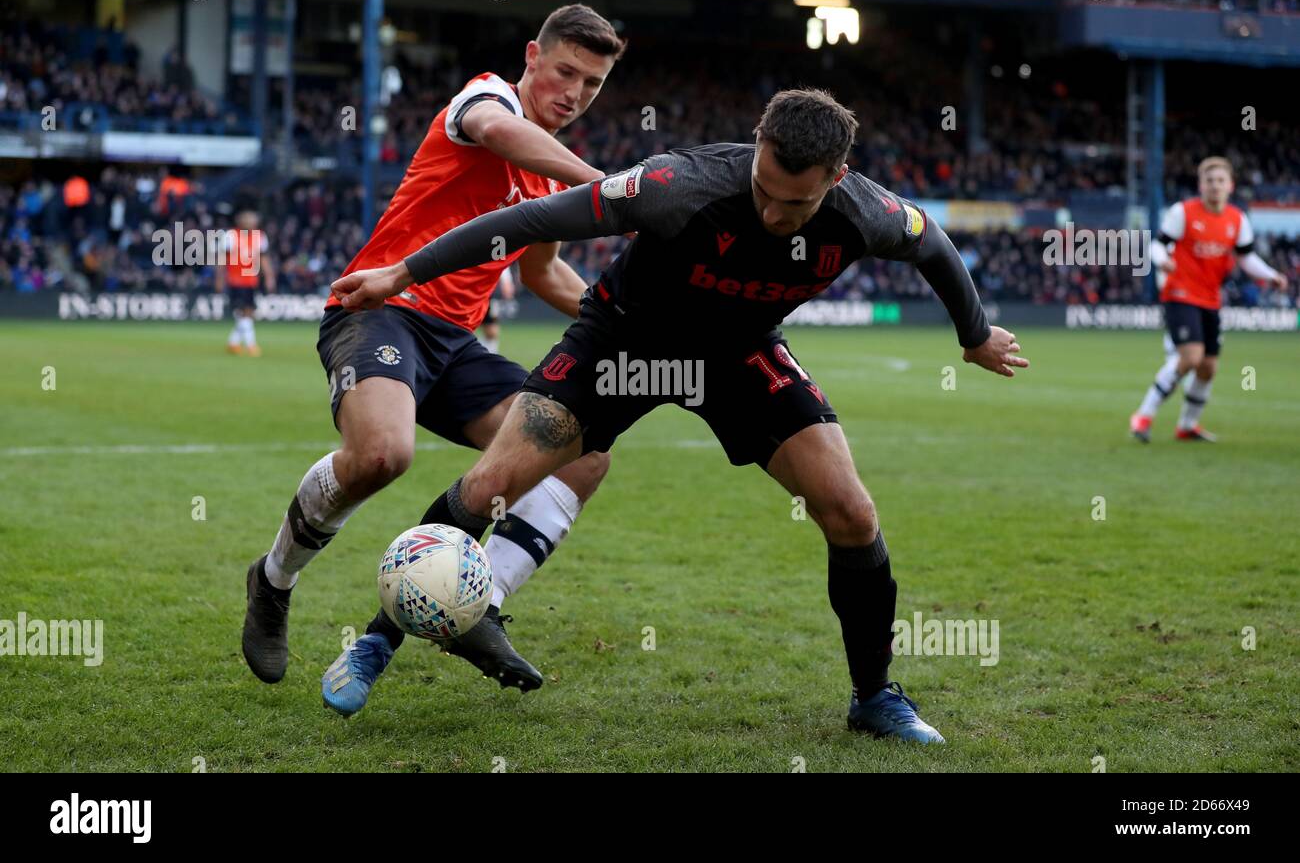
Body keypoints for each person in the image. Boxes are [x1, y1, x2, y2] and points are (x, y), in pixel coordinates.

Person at [329, 89, 1030, 741]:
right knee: (489, 486)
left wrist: (974, 337)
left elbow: (932, 242)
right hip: (621, 344)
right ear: (757, 143)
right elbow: (533, 219)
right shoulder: (676, 184)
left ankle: (875, 697)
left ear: (838, 175)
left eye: (797, 205)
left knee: (852, 513)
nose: (774, 215)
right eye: (765, 190)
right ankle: (372, 646)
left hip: (738, 358)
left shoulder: (868, 212)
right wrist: (404, 274)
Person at [240, 5, 628, 715]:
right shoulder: (486, 99)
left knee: (584, 453)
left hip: (456, 344)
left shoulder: (549, 178)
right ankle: (271, 581)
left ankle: (476, 606)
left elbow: (544, 275)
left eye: (593, 84)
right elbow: (496, 131)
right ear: (532, 55)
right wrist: (610, 188)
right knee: (384, 454)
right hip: (380, 309)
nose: (574, 92)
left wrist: (631, 319)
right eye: (566, 71)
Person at [1129, 156, 1288, 443]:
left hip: (1210, 298)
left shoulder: (1237, 220)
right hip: (1180, 293)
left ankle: (1187, 426)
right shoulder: (1183, 213)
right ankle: (1143, 415)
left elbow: (1247, 257)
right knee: (1191, 357)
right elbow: (1157, 244)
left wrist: (1270, 275)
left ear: (1230, 185)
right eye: (1209, 181)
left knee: (1208, 367)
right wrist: (1163, 260)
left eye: (1220, 181)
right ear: (1200, 185)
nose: (1215, 186)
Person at [216, 209, 273, 356]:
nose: (250, 221)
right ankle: (251, 345)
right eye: (247, 218)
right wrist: (219, 279)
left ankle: (233, 343)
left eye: (252, 218)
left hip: (251, 280)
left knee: (247, 312)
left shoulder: (260, 237)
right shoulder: (231, 236)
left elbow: (263, 259)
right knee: (244, 311)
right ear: (239, 221)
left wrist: (269, 277)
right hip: (235, 280)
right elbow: (222, 259)